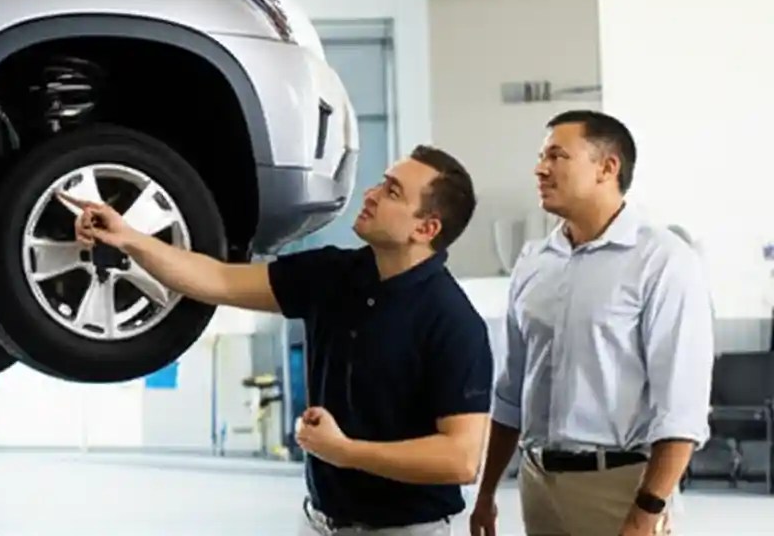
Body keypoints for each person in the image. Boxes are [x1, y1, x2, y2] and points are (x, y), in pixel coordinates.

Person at [61, 145, 493, 535]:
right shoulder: (334, 275)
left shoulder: (452, 322)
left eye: (393, 192)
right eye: (382, 181)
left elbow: (460, 459)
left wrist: (347, 453)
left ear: (426, 228)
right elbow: (218, 280)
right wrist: (130, 238)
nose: (372, 194)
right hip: (318, 521)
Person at [470, 110, 714, 536]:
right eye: (541, 156)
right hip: (538, 482)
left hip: (620, 487)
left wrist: (645, 514)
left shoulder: (662, 261)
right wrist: (487, 492)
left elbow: (680, 410)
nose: (540, 168)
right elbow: (510, 394)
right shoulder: (534, 262)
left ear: (607, 167)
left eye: (556, 155)